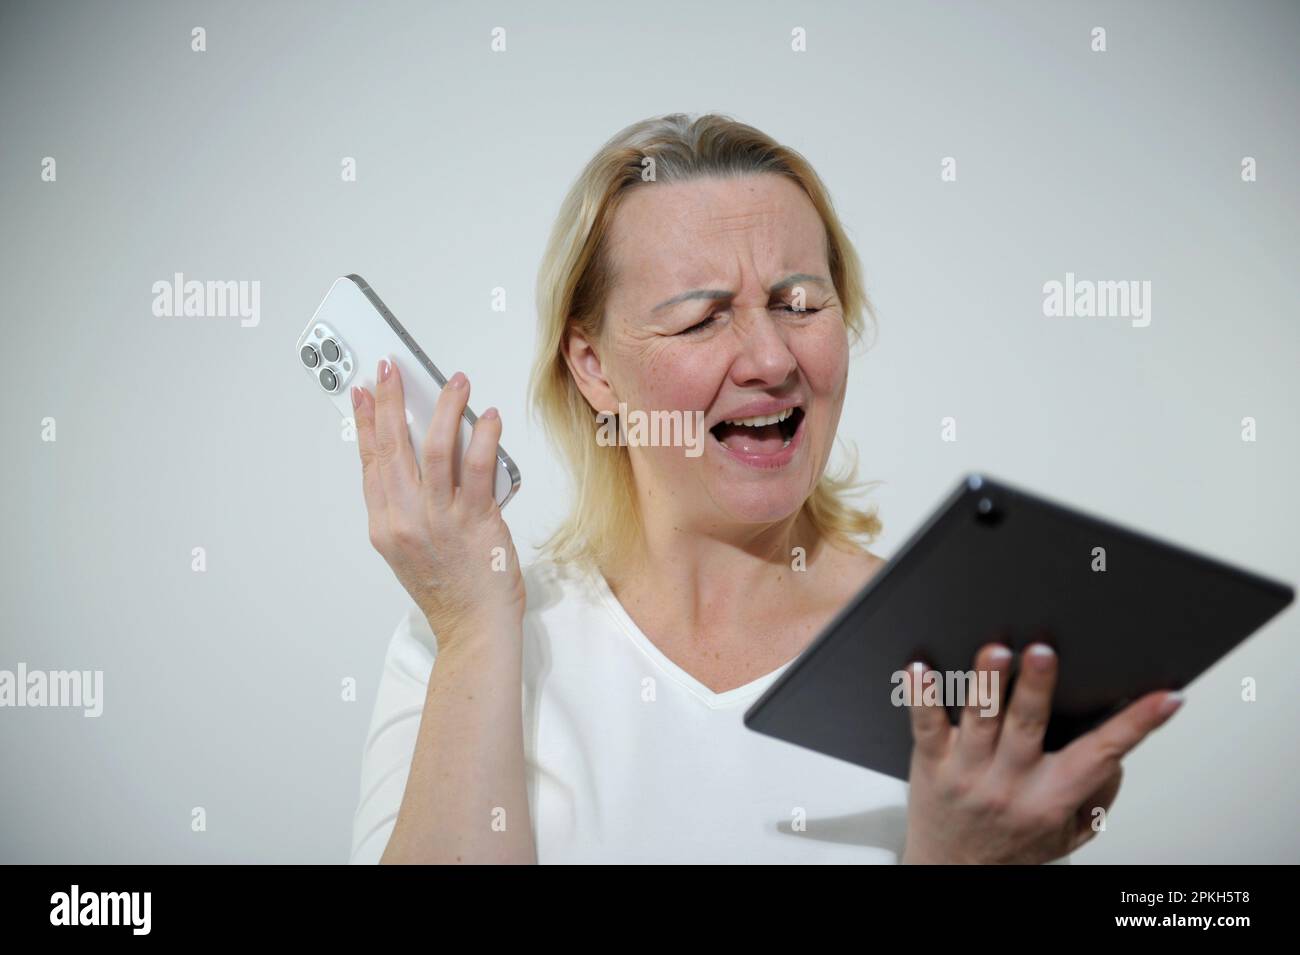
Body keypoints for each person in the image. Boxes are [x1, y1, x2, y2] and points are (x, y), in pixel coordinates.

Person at [346, 113, 1182, 864]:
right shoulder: (465, 639)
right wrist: (475, 626)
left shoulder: (960, 662)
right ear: (593, 367)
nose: (772, 359)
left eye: (799, 303)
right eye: (702, 316)